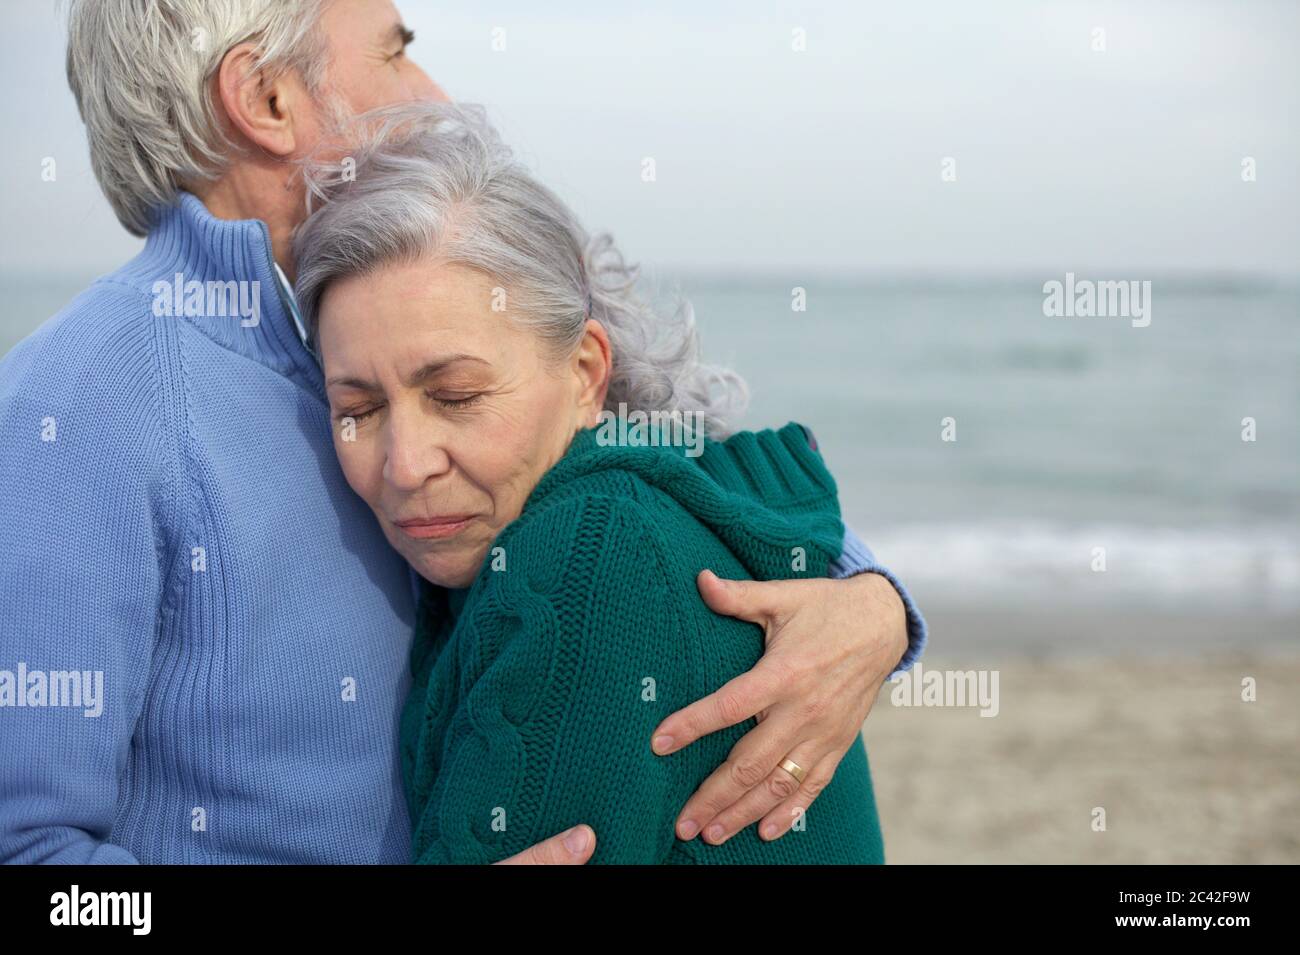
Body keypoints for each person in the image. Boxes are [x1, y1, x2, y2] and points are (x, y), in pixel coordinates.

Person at [0, 0, 924, 864]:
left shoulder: (371, 320)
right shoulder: (82, 403)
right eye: (397, 51)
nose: (435, 96)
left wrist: (871, 606)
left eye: (450, 395)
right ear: (267, 99)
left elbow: (653, 464)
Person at [296, 101, 888, 862]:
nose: (406, 464)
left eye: (457, 396)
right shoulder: (632, 500)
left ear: (584, 374)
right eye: (359, 408)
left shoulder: (590, 547)